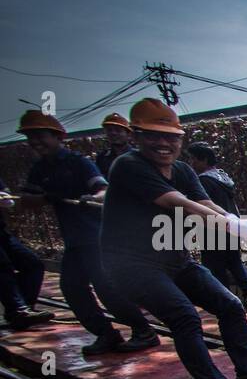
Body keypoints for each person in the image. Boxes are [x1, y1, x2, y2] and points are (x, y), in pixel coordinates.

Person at [99, 98, 247, 379]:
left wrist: (236, 221)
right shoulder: (128, 166)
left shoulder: (183, 170)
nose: (163, 143)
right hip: (132, 265)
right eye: (153, 136)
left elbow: (203, 202)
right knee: (185, 318)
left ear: (180, 139)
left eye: (170, 137)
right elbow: (177, 203)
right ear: (136, 137)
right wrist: (231, 224)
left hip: (175, 258)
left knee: (230, 306)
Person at [17, 111, 159, 355]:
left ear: (58, 137)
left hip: (97, 236)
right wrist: (44, 198)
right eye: (31, 137)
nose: (35, 142)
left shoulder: (78, 163)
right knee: (72, 288)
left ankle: (143, 331)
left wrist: (89, 198)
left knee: (107, 287)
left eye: (40, 135)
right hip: (73, 240)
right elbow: (25, 200)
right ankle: (105, 333)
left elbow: (103, 191)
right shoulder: (40, 169)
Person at [185, 142, 247, 307]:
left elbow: (200, 207)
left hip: (213, 230)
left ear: (204, 160)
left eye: (193, 159)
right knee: (234, 261)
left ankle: (225, 299)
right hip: (232, 227)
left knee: (214, 266)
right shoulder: (223, 178)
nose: (191, 164)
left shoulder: (203, 182)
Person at [0, 177, 53, 330]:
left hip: (2, 233)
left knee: (33, 264)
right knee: (3, 267)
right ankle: (18, 310)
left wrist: (3, 196)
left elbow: (8, 201)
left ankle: (22, 310)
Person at [94, 112, 134, 177]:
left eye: (118, 130)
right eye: (109, 130)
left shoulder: (138, 156)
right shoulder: (102, 158)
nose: (113, 133)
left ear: (128, 134)